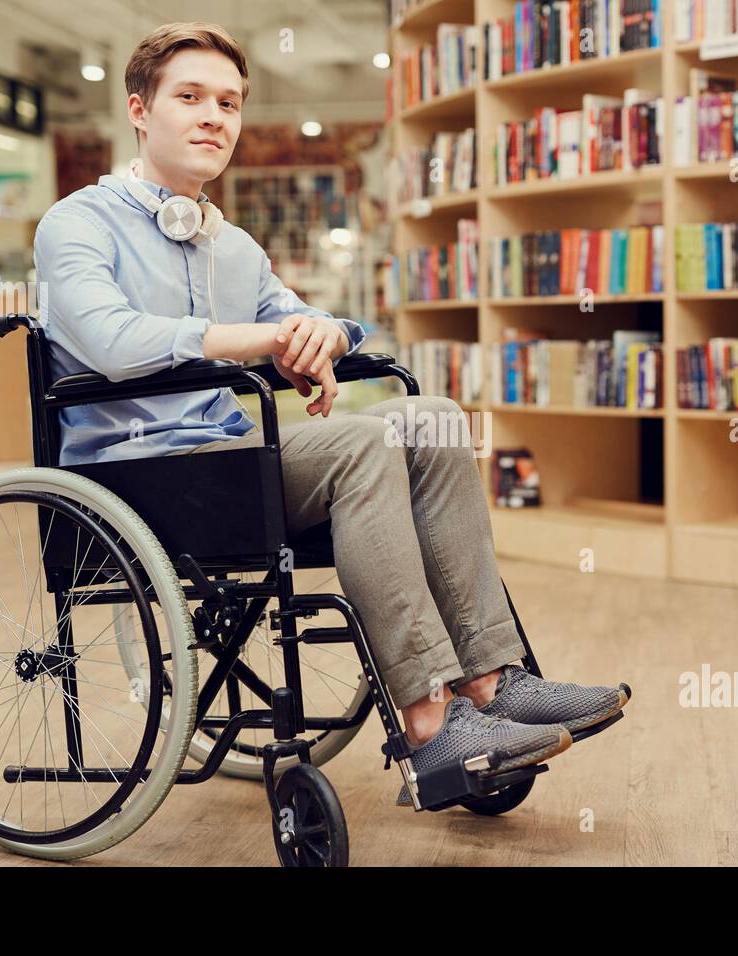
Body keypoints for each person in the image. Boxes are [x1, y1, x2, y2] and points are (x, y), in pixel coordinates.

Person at [32, 22, 630, 796]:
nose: (214, 117)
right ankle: (430, 725)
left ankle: (492, 681)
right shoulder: (75, 223)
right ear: (140, 110)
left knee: (431, 416)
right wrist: (263, 339)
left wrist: (327, 332)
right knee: (359, 445)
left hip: (227, 463)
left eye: (229, 103)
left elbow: (317, 322)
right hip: (134, 476)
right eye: (191, 97)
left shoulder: (232, 248)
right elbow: (113, 342)